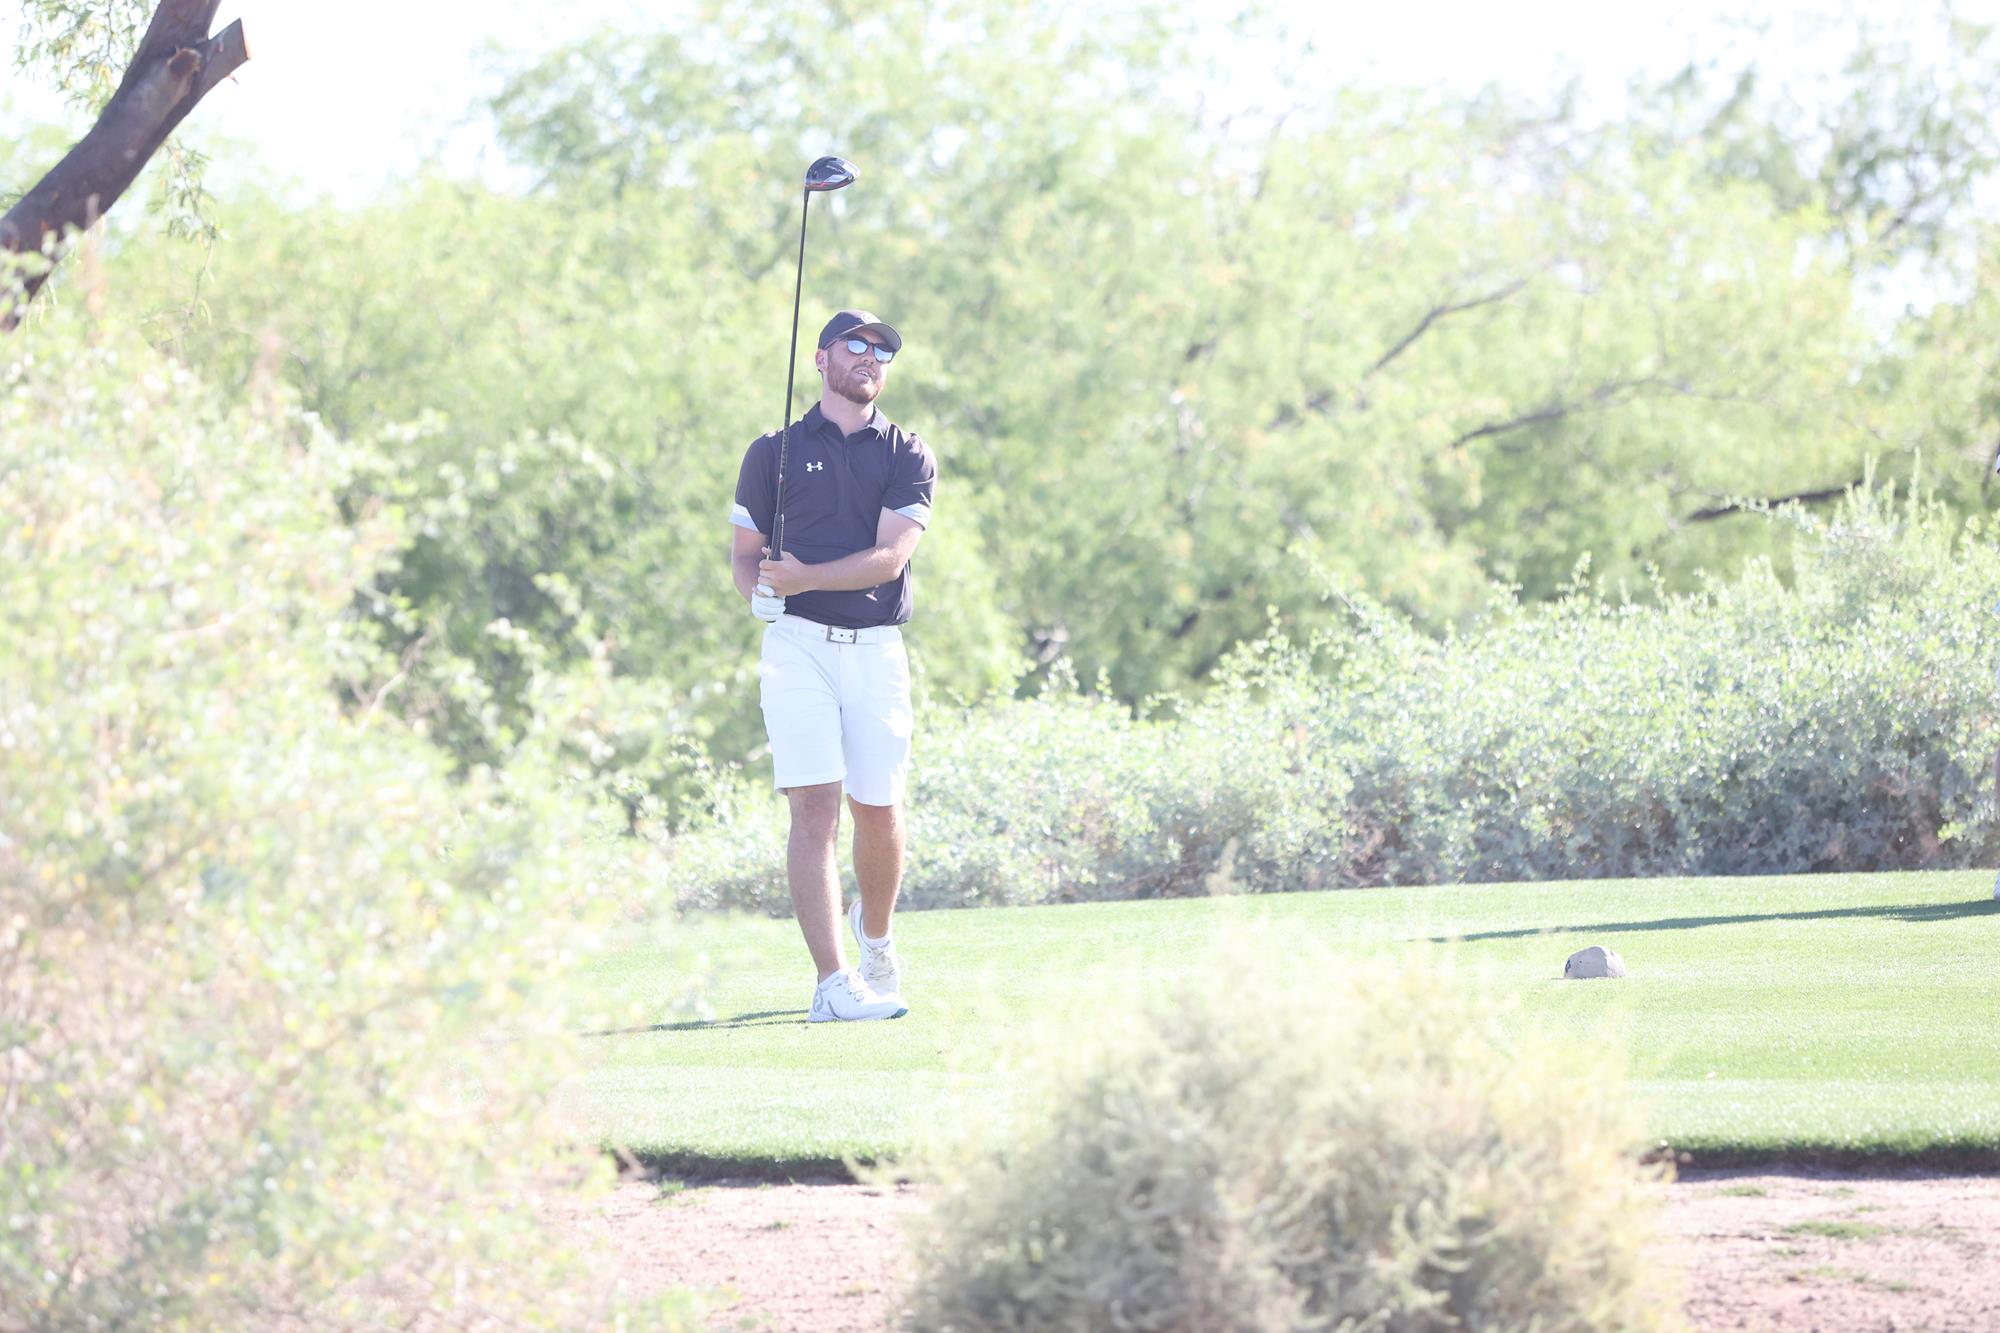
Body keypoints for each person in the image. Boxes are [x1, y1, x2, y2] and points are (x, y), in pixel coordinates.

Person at [729, 310, 937, 1021]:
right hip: (796, 646)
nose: (869, 357)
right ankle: (832, 983)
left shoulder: (907, 453)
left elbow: (890, 558)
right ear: (821, 359)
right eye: (855, 344)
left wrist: (801, 578)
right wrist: (759, 593)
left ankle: (875, 938)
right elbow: (745, 555)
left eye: (882, 350)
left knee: (877, 808)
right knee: (813, 808)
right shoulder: (772, 452)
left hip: (876, 647)